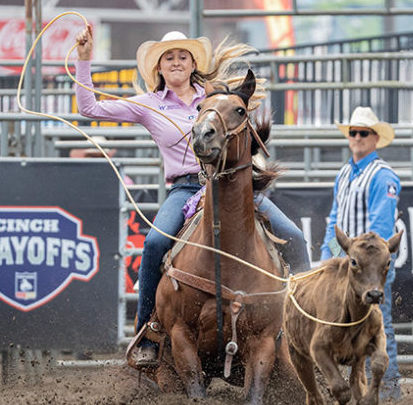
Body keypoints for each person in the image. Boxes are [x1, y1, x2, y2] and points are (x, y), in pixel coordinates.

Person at [74, 25, 311, 366]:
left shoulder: (213, 97)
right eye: (168, 57)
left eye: (182, 56)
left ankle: (304, 320)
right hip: (186, 186)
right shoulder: (149, 105)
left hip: (229, 185)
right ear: (159, 66)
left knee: (293, 234)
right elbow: (90, 109)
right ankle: (148, 334)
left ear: (191, 63)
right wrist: (84, 60)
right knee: (155, 243)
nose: (176, 62)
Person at [320, 106, 402, 400]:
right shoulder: (344, 173)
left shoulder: (383, 176)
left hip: (367, 269)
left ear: (375, 138)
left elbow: (378, 231)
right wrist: (331, 257)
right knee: (337, 327)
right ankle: (364, 391)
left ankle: (388, 393)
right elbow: (334, 221)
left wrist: (350, 259)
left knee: (379, 327)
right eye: (353, 132)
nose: (356, 137)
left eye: (362, 133)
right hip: (348, 266)